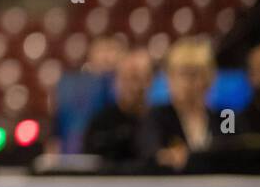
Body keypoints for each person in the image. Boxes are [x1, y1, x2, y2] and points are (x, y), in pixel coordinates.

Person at [140, 37, 218, 172]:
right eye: (180, 74)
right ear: (169, 78)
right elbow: (150, 153)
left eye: (194, 74)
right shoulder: (155, 116)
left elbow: (232, 152)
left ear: (208, 78)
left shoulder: (226, 116)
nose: (187, 82)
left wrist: (188, 158)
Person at [82, 47, 152, 170]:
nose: (133, 87)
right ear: (116, 81)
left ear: (149, 81)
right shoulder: (101, 122)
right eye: (126, 79)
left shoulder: (159, 120)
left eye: (138, 79)